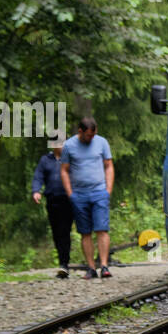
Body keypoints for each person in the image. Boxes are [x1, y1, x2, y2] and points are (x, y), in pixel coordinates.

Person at [60, 117, 115, 279]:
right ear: (80, 132)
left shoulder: (102, 142)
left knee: (102, 229)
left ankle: (104, 265)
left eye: (93, 135)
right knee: (85, 232)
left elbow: (109, 165)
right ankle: (91, 267)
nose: (91, 138)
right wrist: (70, 193)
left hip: (99, 193)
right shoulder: (69, 145)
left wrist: (108, 190)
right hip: (79, 195)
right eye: (88, 136)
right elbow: (64, 170)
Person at [31, 137, 73, 277]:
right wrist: (36, 191)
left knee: (65, 231)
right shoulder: (45, 160)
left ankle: (64, 264)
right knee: (56, 232)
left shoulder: (70, 158)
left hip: (68, 200)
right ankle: (62, 262)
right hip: (52, 200)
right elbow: (38, 176)